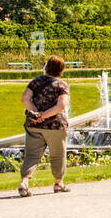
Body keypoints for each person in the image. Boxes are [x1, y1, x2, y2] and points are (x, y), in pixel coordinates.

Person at [18, 56, 71, 197]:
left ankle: (24, 182)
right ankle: (58, 183)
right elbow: (61, 105)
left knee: (31, 155)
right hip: (55, 126)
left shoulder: (35, 82)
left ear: (46, 66)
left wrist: (35, 113)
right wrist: (45, 115)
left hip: (33, 125)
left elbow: (25, 98)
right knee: (58, 155)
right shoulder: (62, 85)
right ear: (62, 69)